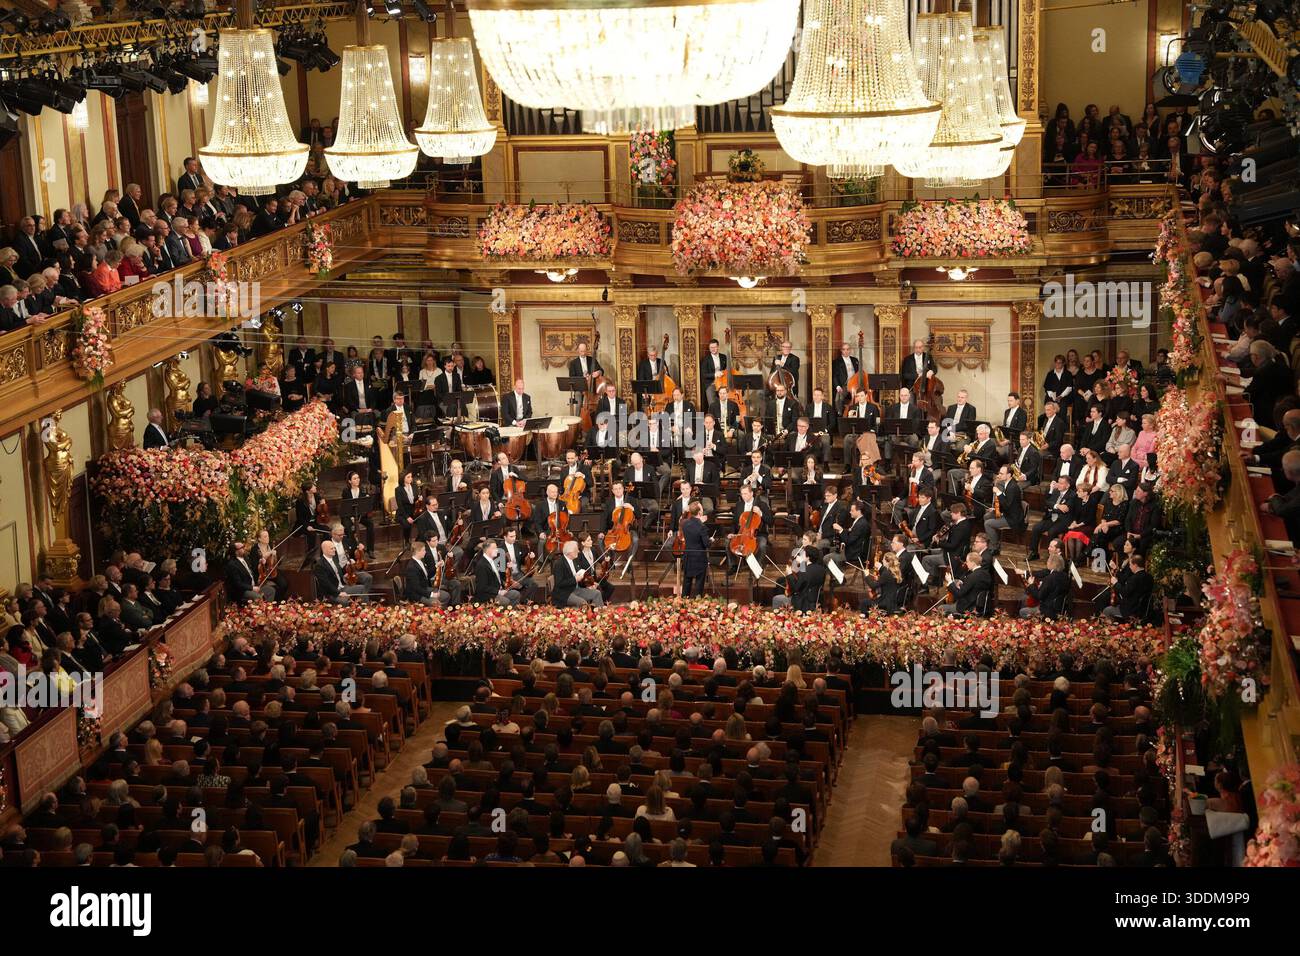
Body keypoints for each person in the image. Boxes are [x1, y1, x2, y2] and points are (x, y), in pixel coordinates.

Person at [551, 540, 603, 607]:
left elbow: (580, 576)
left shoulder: (575, 560)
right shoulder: (559, 564)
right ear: (570, 552)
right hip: (564, 593)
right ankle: (584, 616)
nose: (578, 551)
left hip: (575, 589)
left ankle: (599, 614)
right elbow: (559, 583)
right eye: (576, 550)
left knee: (597, 593)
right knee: (582, 602)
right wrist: (575, 579)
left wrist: (590, 584)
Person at [680, 502, 711, 598]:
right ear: (700, 512)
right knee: (699, 583)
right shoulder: (702, 527)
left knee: (687, 582)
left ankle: (684, 602)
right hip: (699, 559)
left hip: (688, 557)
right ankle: (698, 604)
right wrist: (711, 540)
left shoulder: (685, 524)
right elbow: (706, 544)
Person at [476, 540, 521, 605]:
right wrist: (498, 592)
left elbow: (500, 577)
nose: (497, 550)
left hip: (499, 590)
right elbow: (482, 587)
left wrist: (508, 568)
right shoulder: (481, 565)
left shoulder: (493, 561)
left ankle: (510, 613)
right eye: (494, 548)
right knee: (505, 601)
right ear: (488, 550)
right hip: (488, 595)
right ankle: (502, 614)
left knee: (515, 594)